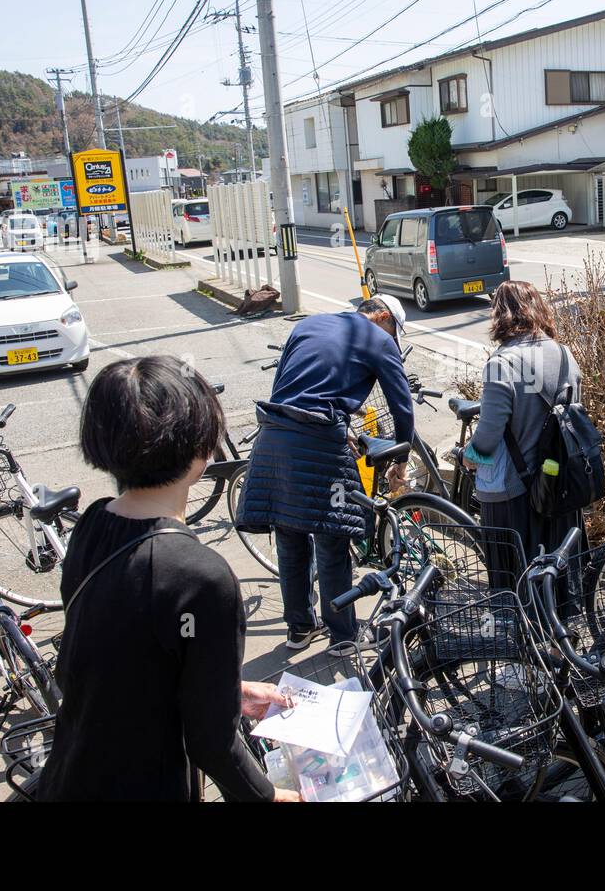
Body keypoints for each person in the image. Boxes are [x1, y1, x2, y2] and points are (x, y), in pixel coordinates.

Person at [38, 355, 299, 802]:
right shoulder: (201, 577)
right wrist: (275, 798)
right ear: (199, 443)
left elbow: (125, 658)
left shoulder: (92, 525)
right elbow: (212, 744)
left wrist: (228, 691)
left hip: (68, 772)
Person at [237, 295, 414, 650]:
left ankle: (300, 629)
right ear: (381, 317)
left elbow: (287, 391)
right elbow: (402, 407)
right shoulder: (377, 339)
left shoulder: (307, 325)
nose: (393, 342)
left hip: (275, 438)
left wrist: (340, 422)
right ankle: (343, 637)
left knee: (289, 536)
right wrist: (401, 459)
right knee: (331, 539)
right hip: (319, 445)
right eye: (394, 332)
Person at [462, 281, 584, 582]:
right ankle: (555, 627)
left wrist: (469, 456)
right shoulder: (565, 355)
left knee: (512, 583)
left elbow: (488, 439)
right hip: (559, 486)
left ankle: (515, 628)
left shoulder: (501, 363)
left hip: (512, 493)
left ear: (499, 315)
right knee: (556, 576)